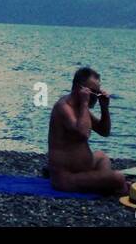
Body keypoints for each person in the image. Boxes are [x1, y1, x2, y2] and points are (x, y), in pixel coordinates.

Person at [47, 66, 129, 195]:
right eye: (93, 93)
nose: (96, 97)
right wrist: (85, 103)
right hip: (66, 178)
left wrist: (104, 108)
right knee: (118, 178)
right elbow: (84, 133)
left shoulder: (79, 108)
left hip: (82, 169)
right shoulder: (64, 108)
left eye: (98, 93)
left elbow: (104, 131)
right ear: (80, 89)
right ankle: (109, 184)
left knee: (102, 156)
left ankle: (103, 182)